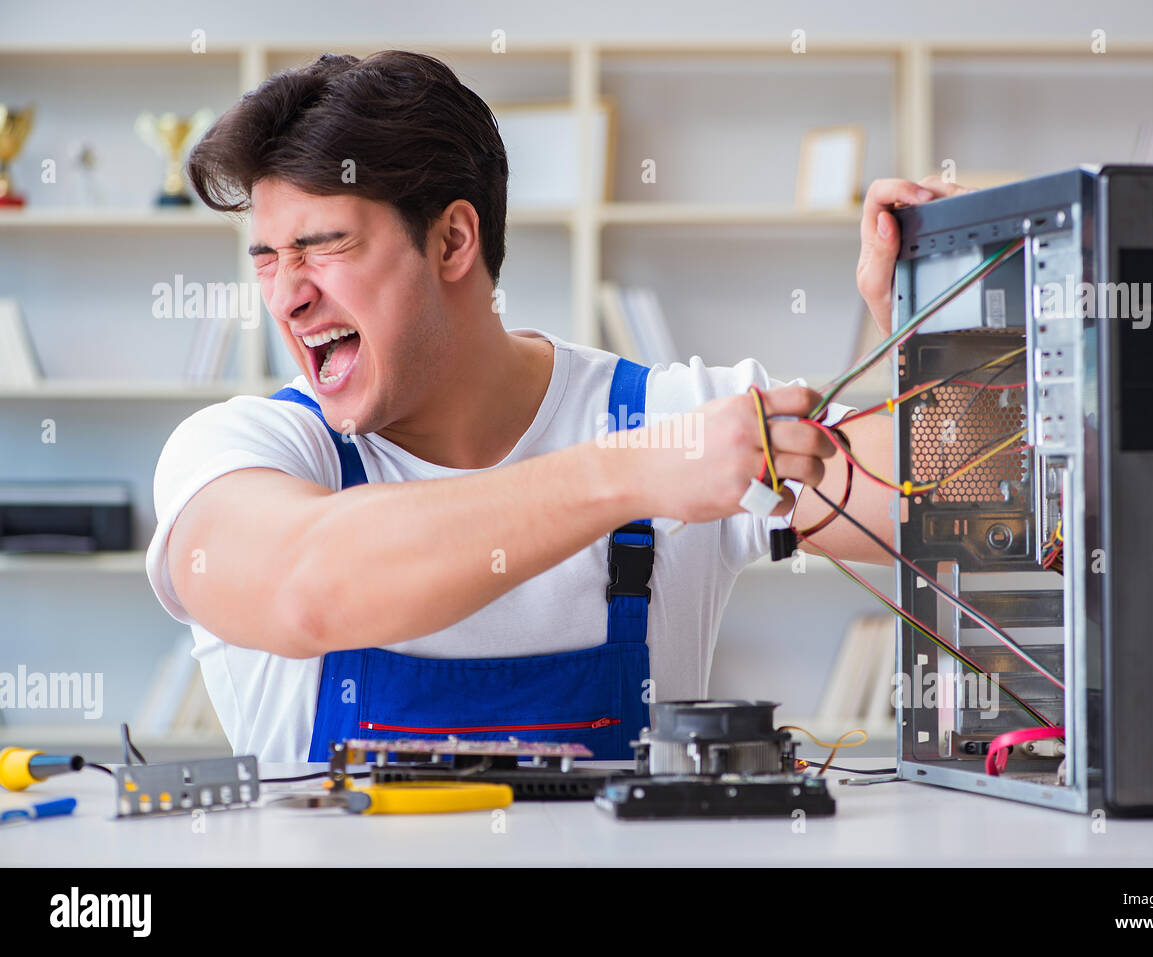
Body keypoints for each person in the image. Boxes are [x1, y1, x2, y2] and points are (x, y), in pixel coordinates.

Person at [144, 50, 968, 762]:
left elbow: (974, 502)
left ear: (453, 241)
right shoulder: (240, 452)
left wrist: (945, 338)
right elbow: (309, 585)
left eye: (323, 247)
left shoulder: (674, 413)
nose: (286, 297)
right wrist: (629, 473)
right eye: (267, 260)